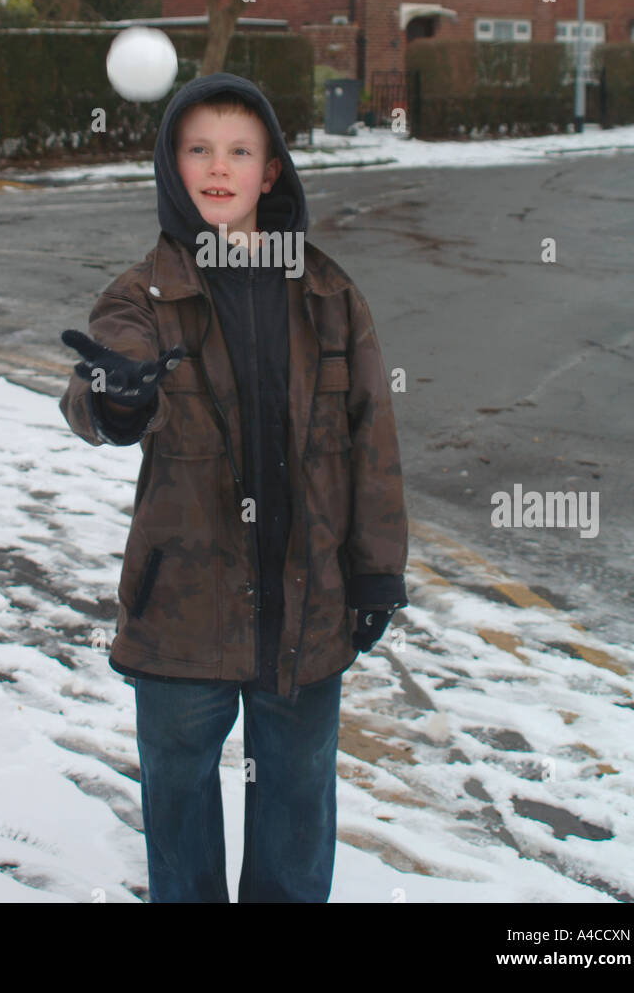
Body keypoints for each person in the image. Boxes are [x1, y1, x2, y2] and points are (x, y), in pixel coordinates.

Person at [59, 71, 408, 903]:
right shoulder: (142, 293)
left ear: (271, 171)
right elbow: (93, 391)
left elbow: (371, 441)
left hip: (307, 611)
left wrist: (375, 573)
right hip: (181, 608)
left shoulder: (328, 294)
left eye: (240, 151)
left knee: (295, 817)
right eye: (198, 150)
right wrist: (118, 395)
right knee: (179, 816)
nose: (219, 168)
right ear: (171, 167)